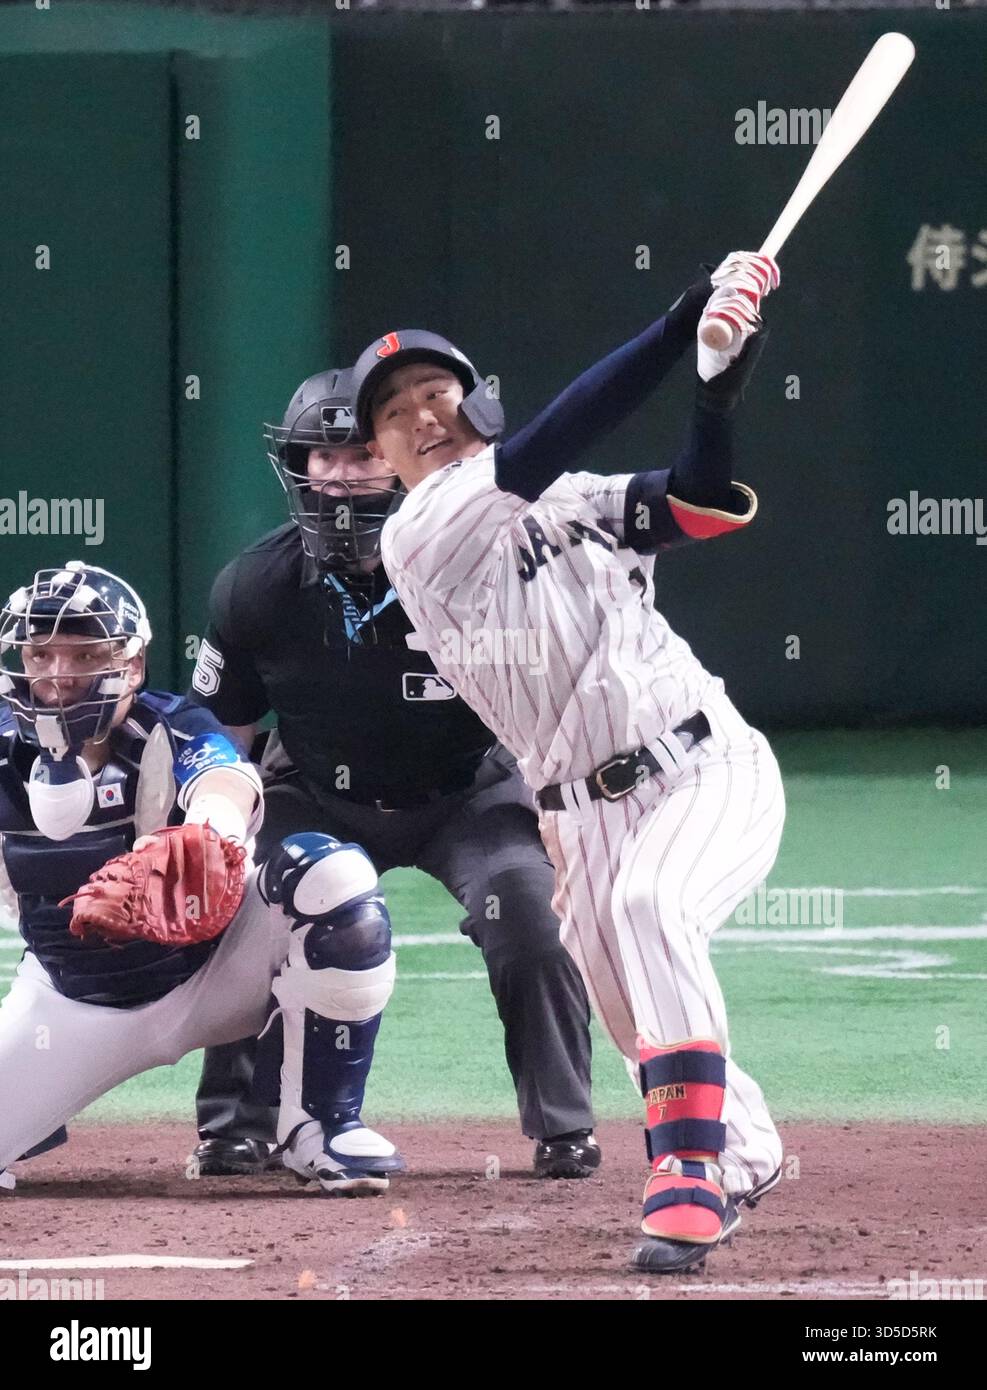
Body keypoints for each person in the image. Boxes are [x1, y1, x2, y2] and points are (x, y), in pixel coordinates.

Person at [352, 251, 786, 1272]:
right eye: (393, 414)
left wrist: (723, 383)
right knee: (634, 1014)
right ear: (381, 457)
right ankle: (744, 1150)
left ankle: (683, 1170)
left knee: (651, 912)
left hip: (703, 764)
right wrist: (684, 322)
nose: (423, 415)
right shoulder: (422, 535)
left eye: (437, 392)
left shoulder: (572, 496)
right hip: (577, 817)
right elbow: (566, 430)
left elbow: (695, 498)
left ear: (474, 403)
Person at [187, 369, 599, 1182]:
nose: (340, 476)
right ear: (298, 468)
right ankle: (236, 1125)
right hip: (316, 795)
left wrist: (558, 814)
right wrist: (212, 836)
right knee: (245, 910)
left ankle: (564, 1126)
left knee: (528, 913)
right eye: (323, 457)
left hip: (467, 795)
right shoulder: (255, 585)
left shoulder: (486, 571)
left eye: (362, 455)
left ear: (405, 457)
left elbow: (552, 708)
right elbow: (221, 737)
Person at [0, 561, 403, 1196]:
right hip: (71, 1002)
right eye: (42, 655)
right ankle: (29, 1105)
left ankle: (322, 1126)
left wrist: (207, 835)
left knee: (334, 877)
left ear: (130, 666)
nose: (59, 675)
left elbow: (224, 775)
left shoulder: (168, 722)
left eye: (82, 653)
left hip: (212, 974)